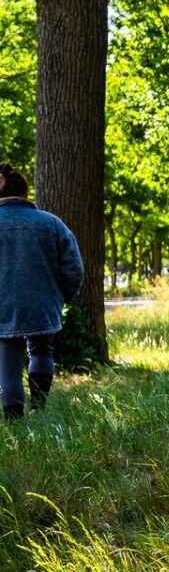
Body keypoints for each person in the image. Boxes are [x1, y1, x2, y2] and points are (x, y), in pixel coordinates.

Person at [0, 163, 84, 419]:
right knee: (41, 351)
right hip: (42, 302)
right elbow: (73, 267)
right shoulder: (52, 224)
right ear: (26, 194)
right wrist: (62, 296)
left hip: (3, 305)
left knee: (9, 363)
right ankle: (38, 408)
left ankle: (14, 423)